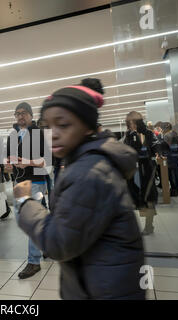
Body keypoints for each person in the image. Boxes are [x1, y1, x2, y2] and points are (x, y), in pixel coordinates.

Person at [14, 85, 145, 300]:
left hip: (104, 288)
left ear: (87, 126)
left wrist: (25, 203)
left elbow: (59, 242)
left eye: (63, 124)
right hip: (100, 281)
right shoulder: (87, 163)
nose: (53, 134)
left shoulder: (89, 174)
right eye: (48, 125)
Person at [5, 102, 48, 279]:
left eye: (23, 113)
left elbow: (47, 160)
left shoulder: (39, 134)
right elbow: (9, 157)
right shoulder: (13, 135)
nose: (20, 116)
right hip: (19, 182)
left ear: (30, 115)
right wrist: (8, 165)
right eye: (17, 113)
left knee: (31, 221)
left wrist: (29, 162)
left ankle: (34, 261)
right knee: (22, 218)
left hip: (36, 181)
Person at [124, 111, 161, 236]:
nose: (131, 125)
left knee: (148, 196)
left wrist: (157, 152)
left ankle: (149, 225)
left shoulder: (148, 133)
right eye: (129, 122)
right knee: (136, 197)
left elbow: (155, 145)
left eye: (133, 122)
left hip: (147, 169)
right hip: (134, 170)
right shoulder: (129, 135)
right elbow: (126, 150)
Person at [163, 122, 178, 197]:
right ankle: (176, 189)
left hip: (170, 156)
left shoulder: (166, 135)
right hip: (176, 155)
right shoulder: (175, 134)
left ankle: (174, 190)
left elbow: (165, 147)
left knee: (171, 173)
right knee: (176, 173)